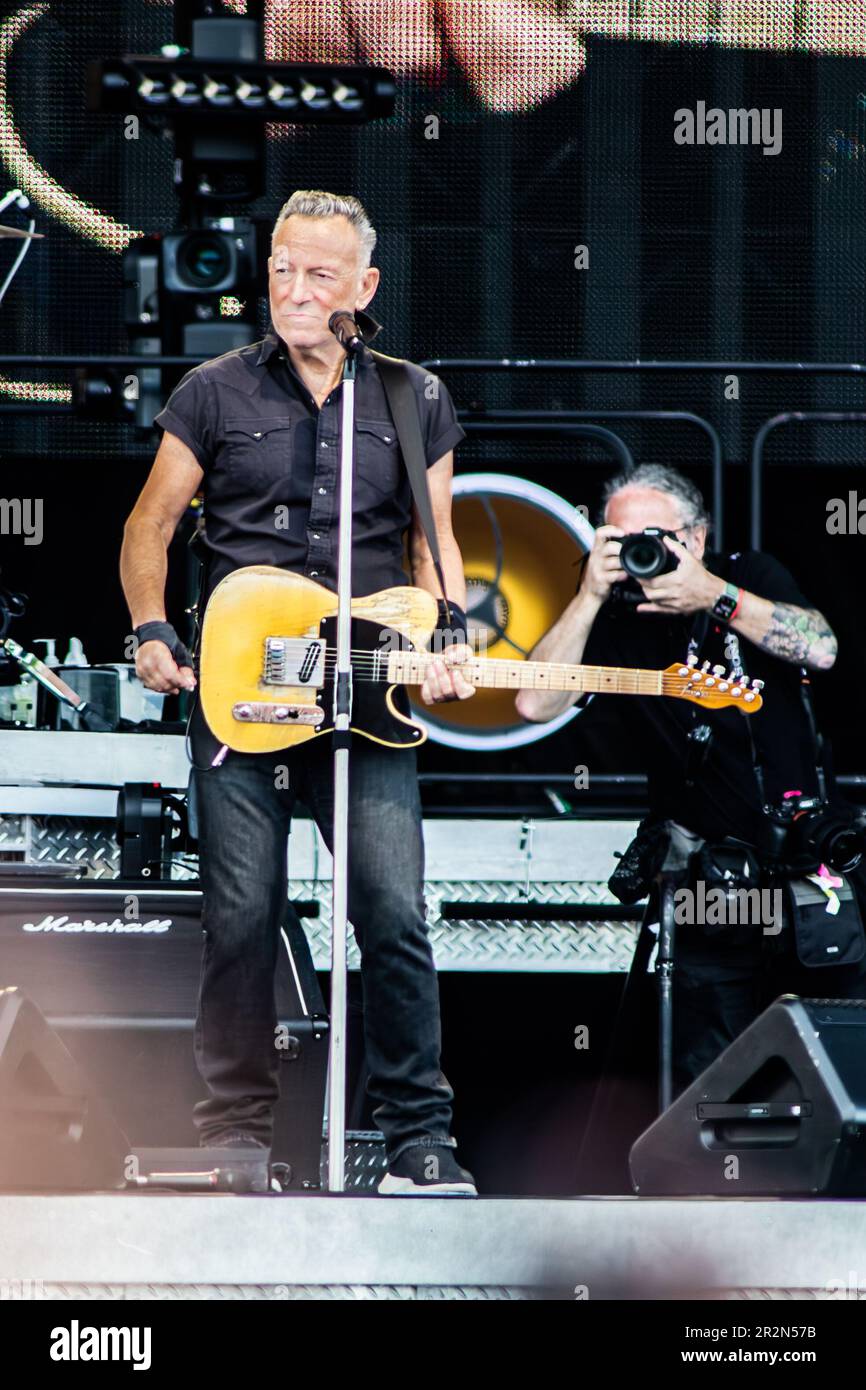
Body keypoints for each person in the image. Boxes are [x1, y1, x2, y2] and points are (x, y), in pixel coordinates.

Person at [120, 189, 478, 1195]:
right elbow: (148, 527)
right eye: (280, 267)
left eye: (319, 272)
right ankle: (235, 1133)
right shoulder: (214, 390)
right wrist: (151, 630)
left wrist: (448, 637)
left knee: (393, 909)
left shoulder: (412, 398)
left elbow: (431, 544)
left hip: (365, 685)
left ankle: (414, 1136)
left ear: (363, 288)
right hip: (240, 681)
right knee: (241, 911)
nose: (293, 288)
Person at [516, 463, 866, 1095]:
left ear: (696, 539)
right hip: (707, 881)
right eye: (621, 542)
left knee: (832, 1060)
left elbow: (822, 649)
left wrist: (713, 596)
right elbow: (532, 704)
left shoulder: (746, 574)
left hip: (807, 870)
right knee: (714, 1083)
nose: (640, 555)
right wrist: (590, 595)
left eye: (654, 537)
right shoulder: (617, 619)